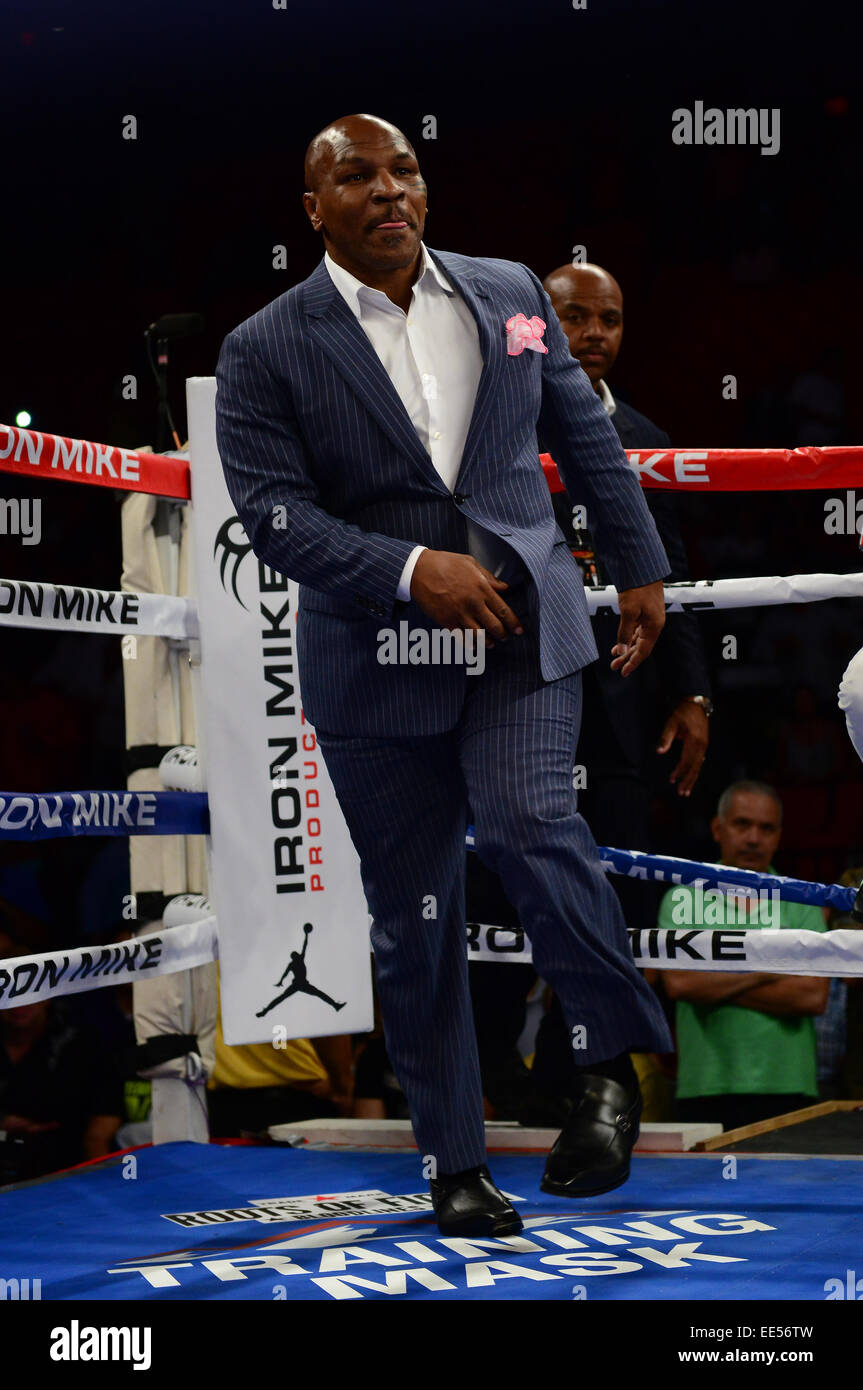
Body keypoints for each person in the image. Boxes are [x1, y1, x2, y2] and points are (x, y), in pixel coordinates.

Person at [215, 113, 674, 1236]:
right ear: (312, 209)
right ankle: (451, 1159)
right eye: (356, 177)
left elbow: (585, 434)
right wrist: (411, 569)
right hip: (375, 656)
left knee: (530, 822)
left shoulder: (510, 288)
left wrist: (639, 567)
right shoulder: (265, 345)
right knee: (411, 912)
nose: (388, 191)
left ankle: (605, 1063)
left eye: (404, 169)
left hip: (519, 626)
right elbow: (272, 516)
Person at [466, 262, 714, 1125]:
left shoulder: (642, 437)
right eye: (575, 316)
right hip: (504, 691)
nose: (595, 332)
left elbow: (671, 574)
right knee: (493, 884)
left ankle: (578, 1075)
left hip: (613, 708)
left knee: (602, 887)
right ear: (537, 325)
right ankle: (490, 1072)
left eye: (609, 317)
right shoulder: (489, 426)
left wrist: (693, 696)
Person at [660, 781, 829, 1130]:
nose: (753, 838)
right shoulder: (683, 899)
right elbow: (680, 983)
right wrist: (769, 971)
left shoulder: (804, 901)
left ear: (779, 836)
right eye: (742, 824)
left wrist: (717, 978)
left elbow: (812, 995)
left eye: (766, 828)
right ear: (718, 829)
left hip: (789, 1086)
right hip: (704, 1086)